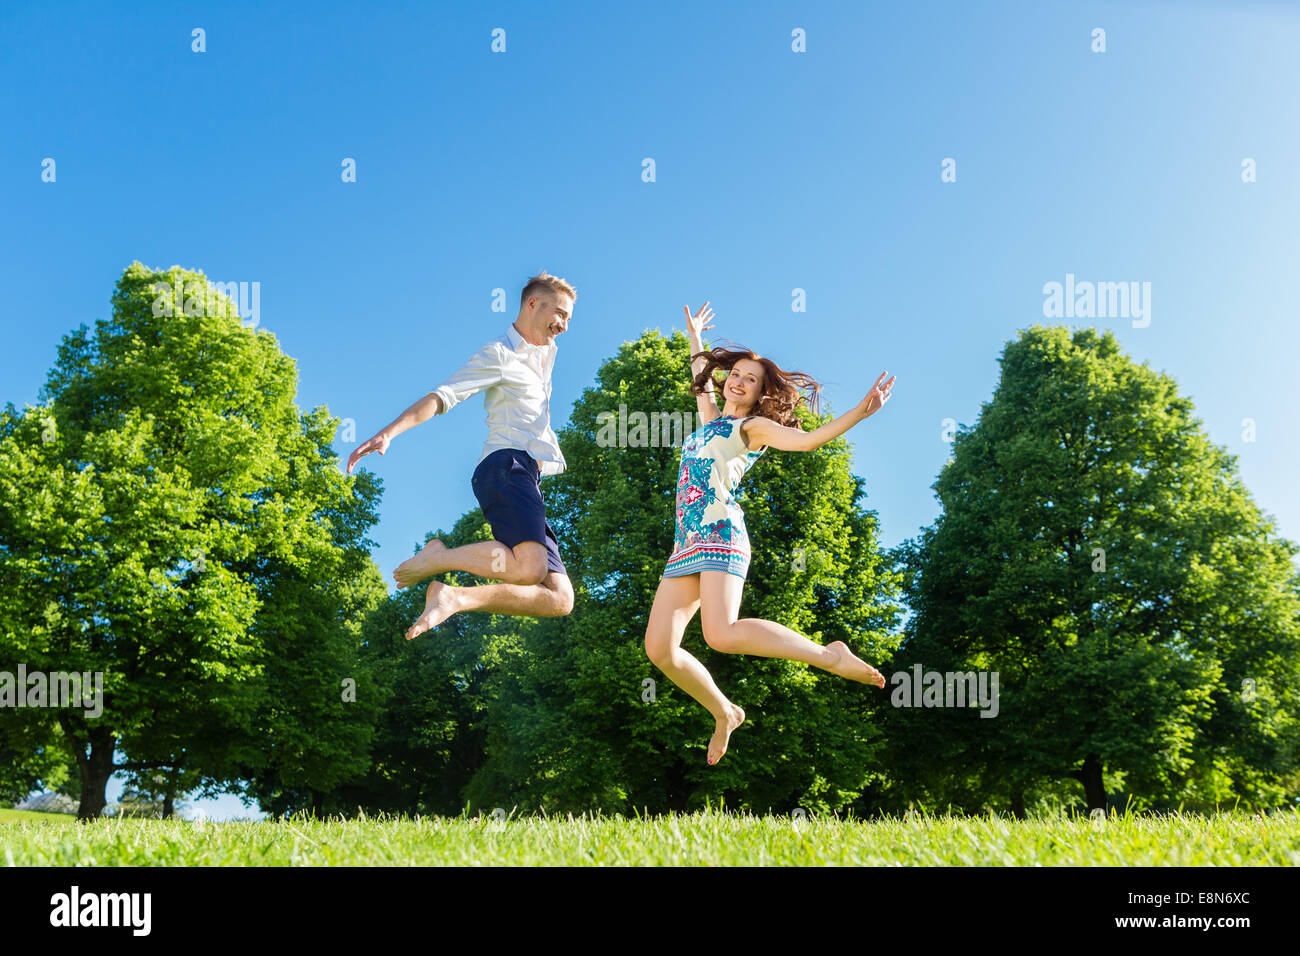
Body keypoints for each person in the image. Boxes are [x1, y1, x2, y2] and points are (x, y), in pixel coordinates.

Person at [644, 301, 897, 765]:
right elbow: (700, 371)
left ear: (760, 393)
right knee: (660, 649)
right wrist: (694, 335)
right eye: (735, 373)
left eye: (750, 378)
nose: (738, 380)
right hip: (686, 542)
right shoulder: (710, 421)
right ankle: (725, 711)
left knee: (720, 633)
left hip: (720, 531)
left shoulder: (752, 427)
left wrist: (860, 413)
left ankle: (828, 655)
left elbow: (805, 441)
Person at [346, 271, 577, 640]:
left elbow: (547, 338)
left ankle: (454, 596)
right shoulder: (499, 354)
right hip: (506, 466)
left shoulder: (545, 352)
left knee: (559, 598)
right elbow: (442, 396)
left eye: (569, 318)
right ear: (532, 303)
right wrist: (388, 432)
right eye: (560, 314)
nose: (564, 325)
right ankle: (439, 560)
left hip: (527, 476)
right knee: (529, 568)